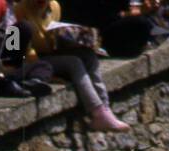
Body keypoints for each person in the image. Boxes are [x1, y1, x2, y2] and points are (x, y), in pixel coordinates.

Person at [17, 0, 130, 131]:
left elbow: (54, 36)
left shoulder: (54, 6)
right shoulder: (19, 10)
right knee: (73, 62)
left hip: (50, 53)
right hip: (31, 60)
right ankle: (97, 111)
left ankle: (105, 107)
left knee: (89, 56)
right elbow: (24, 49)